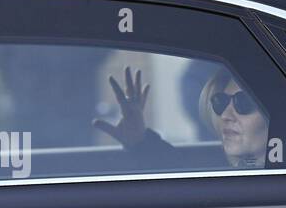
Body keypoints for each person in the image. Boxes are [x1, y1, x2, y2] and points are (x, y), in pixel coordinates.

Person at [93, 65, 272, 169]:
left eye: (243, 103)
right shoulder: (228, 171)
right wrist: (141, 141)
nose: (225, 115)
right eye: (221, 102)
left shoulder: (277, 188)